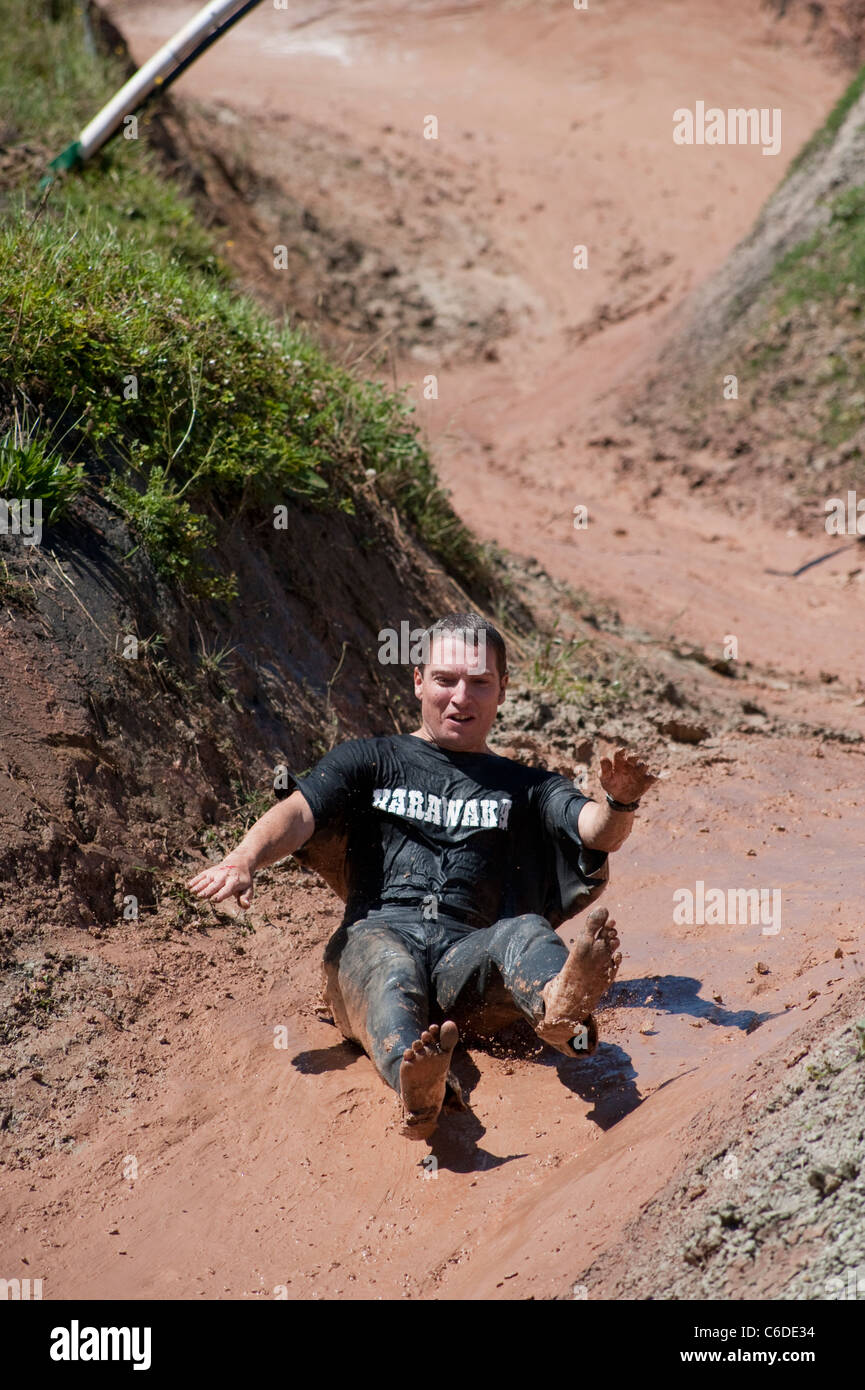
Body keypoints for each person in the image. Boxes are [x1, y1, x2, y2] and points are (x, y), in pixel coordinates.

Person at [188, 613, 657, 1140]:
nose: (462, 697)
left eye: (480, 682)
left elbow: (594, 830)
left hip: (467, 957)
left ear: (502, 689)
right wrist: (243, 858)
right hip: (377, 936)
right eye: (446, 680)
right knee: (392, 971)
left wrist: (621, 801)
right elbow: (300, 813)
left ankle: (557, 1005)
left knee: (525, 930)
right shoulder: (372, 759)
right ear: (418, 680)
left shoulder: (527, 786)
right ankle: (421, 1084)